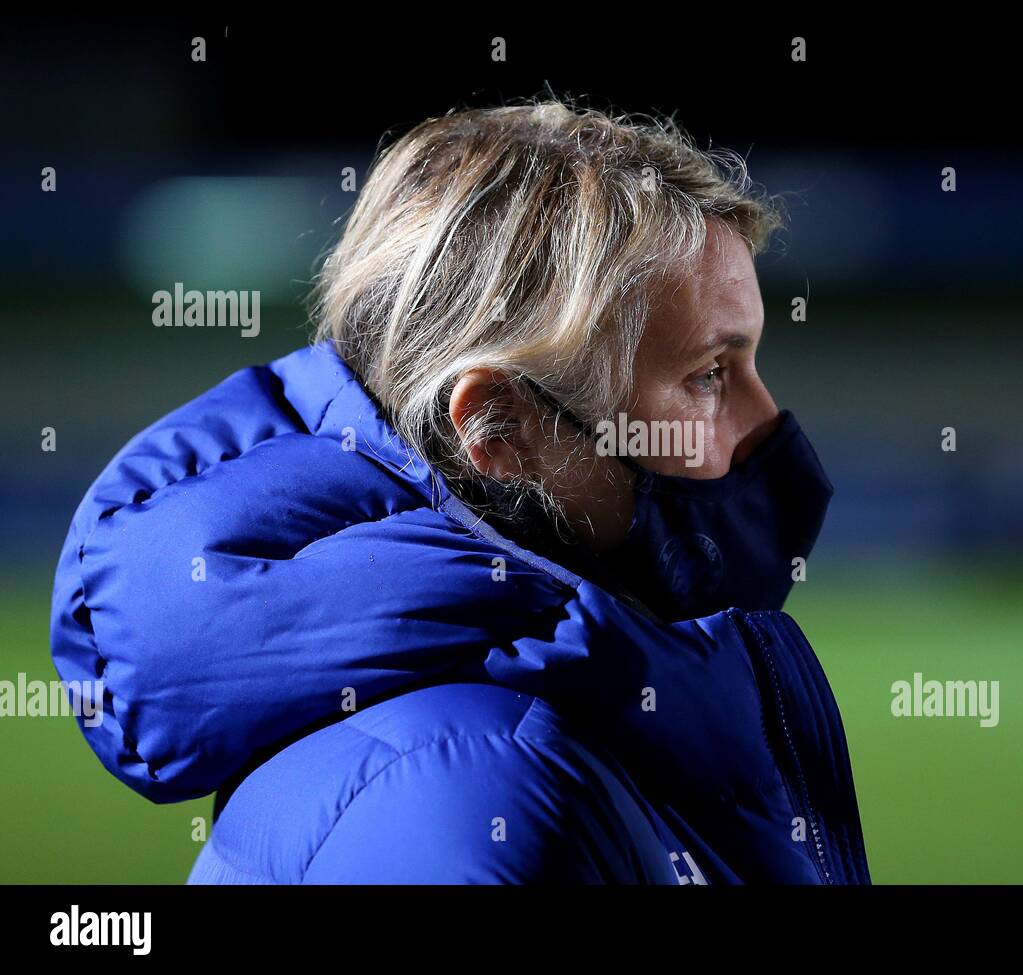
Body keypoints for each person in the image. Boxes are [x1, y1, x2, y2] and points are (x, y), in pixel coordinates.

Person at [49, 100, 870, 884]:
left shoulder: (553, 701)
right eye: (708, 376)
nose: (765, 424)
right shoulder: (483, 791)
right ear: (500, 429)